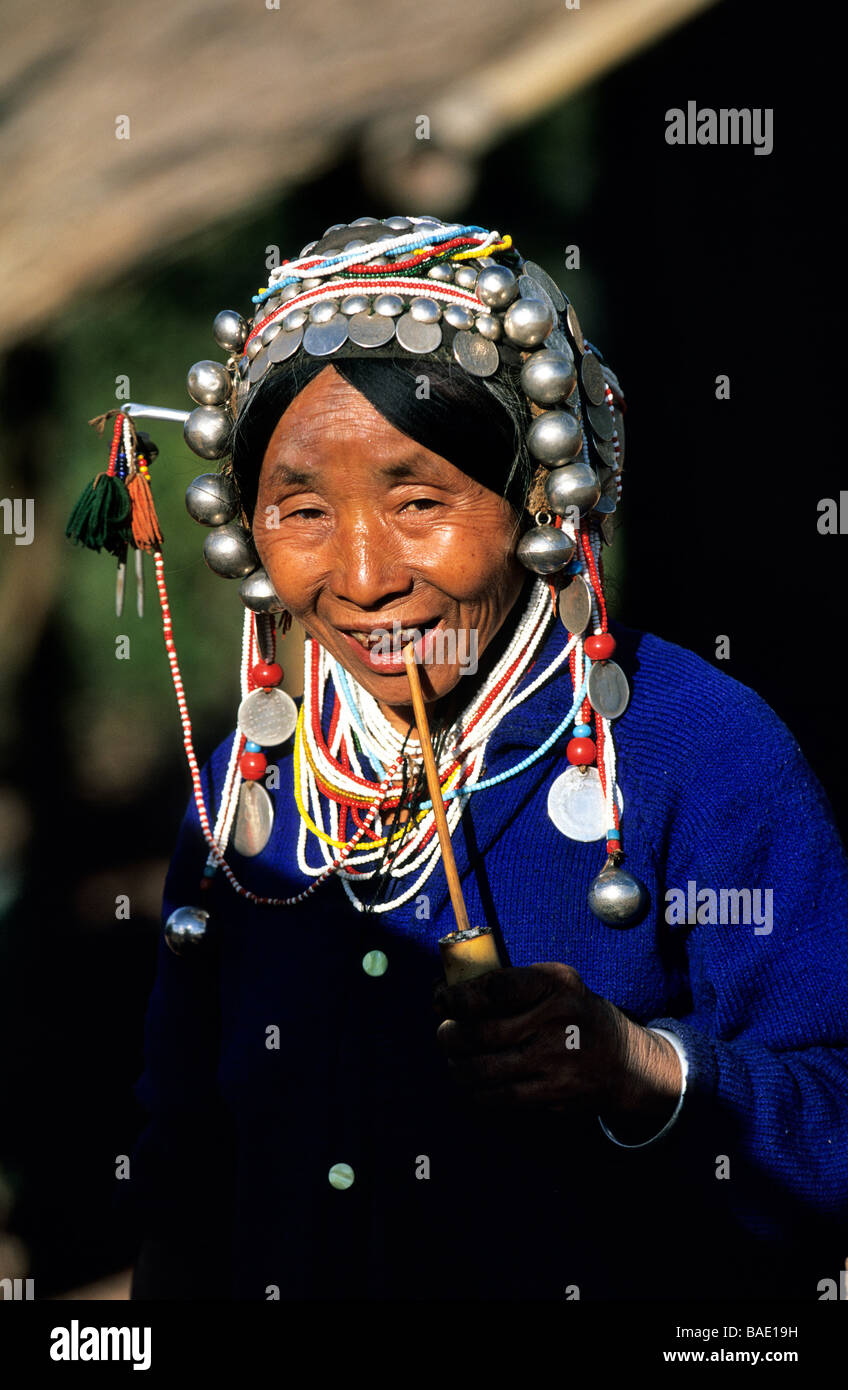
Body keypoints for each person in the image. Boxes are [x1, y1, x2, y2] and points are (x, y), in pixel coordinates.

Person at [100, 215, 848, 1301]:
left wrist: (639, 1071)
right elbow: (181, 1167)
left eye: (418, 501)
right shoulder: (248, 789)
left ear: (538, 497)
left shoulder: (696, 748)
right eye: (302, 510)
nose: (361, 576)